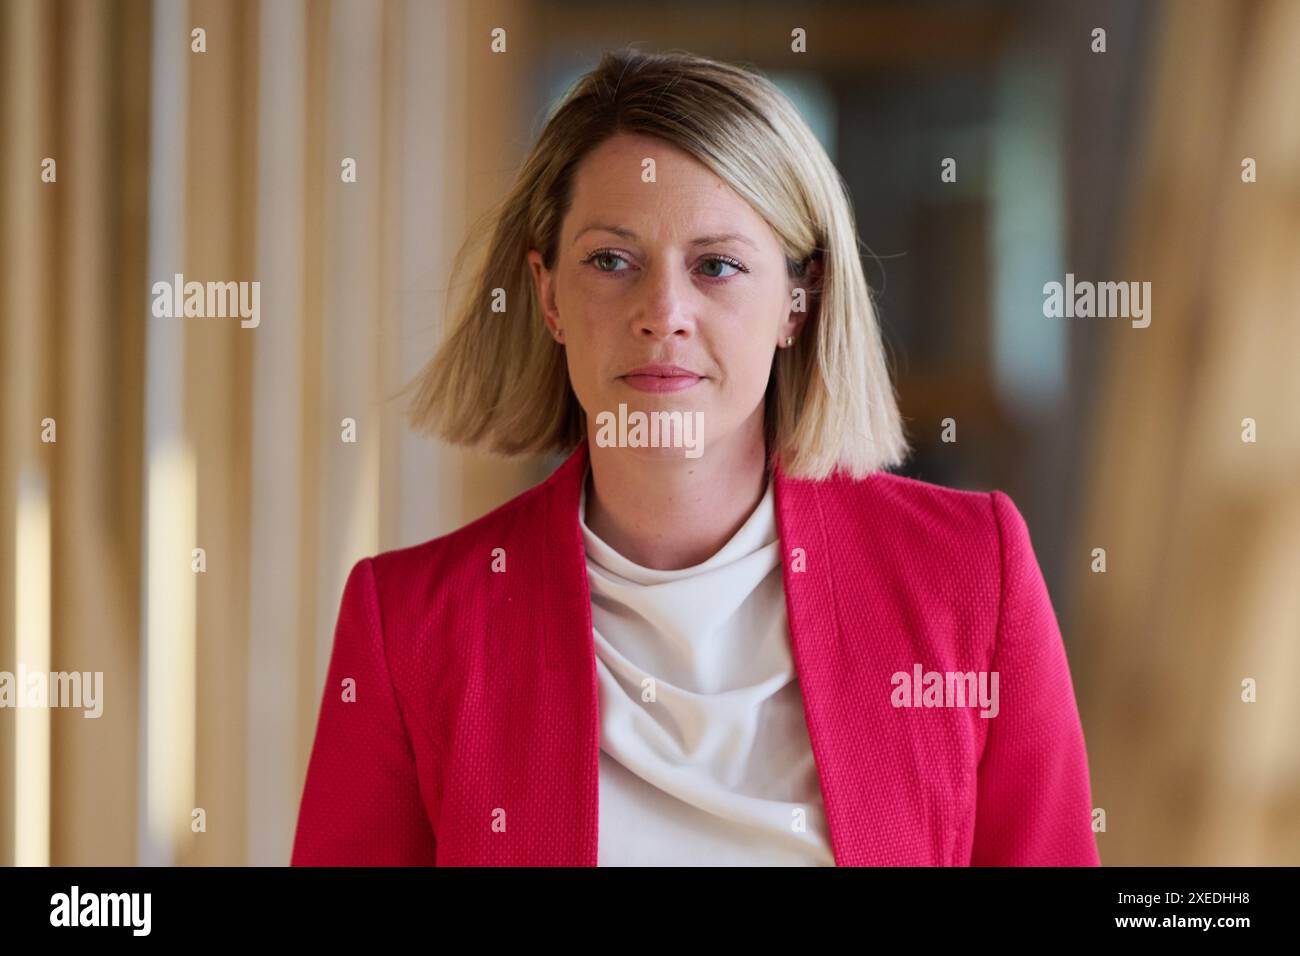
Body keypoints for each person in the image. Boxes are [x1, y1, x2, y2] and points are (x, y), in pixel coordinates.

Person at [290, 47, 1100, 867]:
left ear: (799, 299)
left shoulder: (968, 572)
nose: (664, 313)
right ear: (547, 296)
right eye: (611, 261)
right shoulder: (410, 625)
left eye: (717, 266)